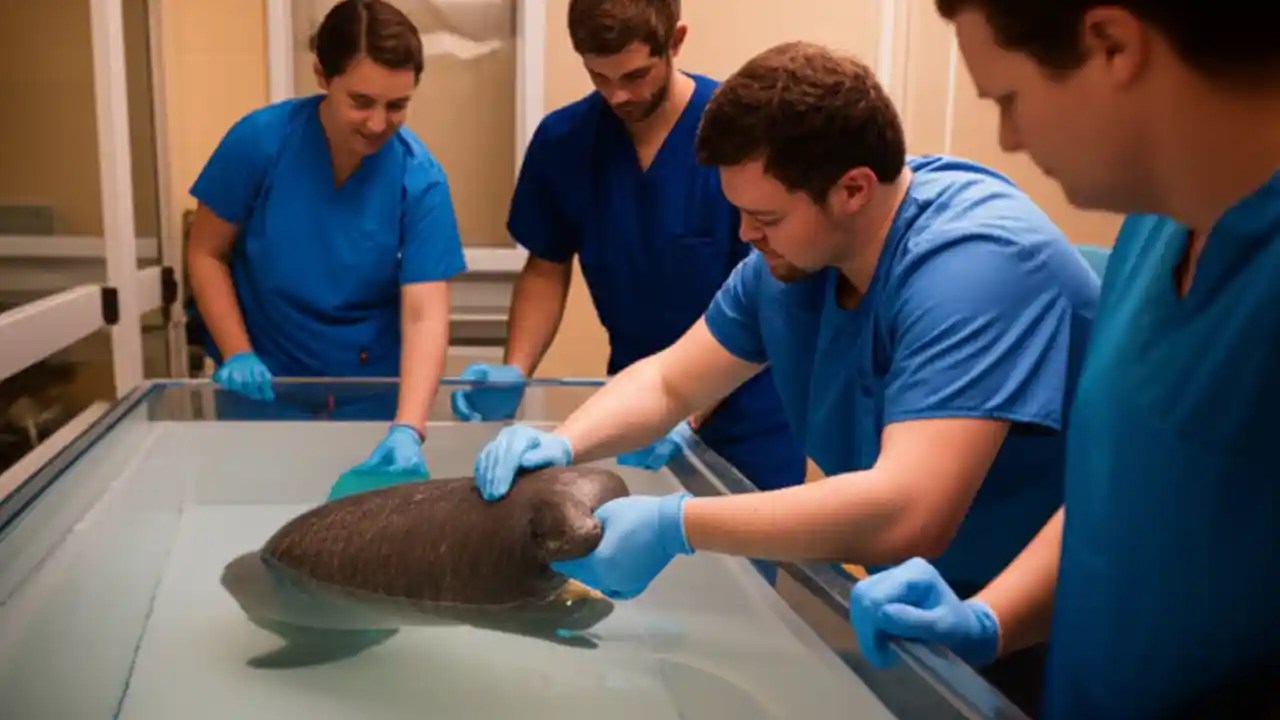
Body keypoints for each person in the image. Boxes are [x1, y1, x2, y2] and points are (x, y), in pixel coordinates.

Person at [472, 41, 1102, 713]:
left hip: (1062, 622)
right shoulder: (795, 266)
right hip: (930, 619)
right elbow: (669, 384)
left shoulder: (975, 264)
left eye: (765, 218)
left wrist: (674, 524)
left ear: (853, 189)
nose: (745, 235)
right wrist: (564, 442)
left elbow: (909, 511)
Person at [848, 2, 1280, 718]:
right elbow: (1125, 492)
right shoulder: (1157, 223)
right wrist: (993, 620)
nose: (1008, 138)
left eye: (1010, 100)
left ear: (1111, 44)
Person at [447, 0, 807, 492]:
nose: (618, 95)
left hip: (748, 414)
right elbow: (547, 266)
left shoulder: (740, 140)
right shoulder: (565, 142)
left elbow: (772, 294)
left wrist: (688, 411)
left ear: (675, 41)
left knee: (740, 560)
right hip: (633, 404)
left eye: (636, 76)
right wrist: (516, 369)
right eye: (599, 76)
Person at [186, 0, 465, 484]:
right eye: (361, 101)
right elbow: (206, 252)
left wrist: (409, 429)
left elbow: (425, 312)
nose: (378, 123)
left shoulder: (420, 179)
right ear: (322, 75)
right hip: (263, 386)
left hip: (370, 398)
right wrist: (237, 352)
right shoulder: (260, 142)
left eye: (396, 105)